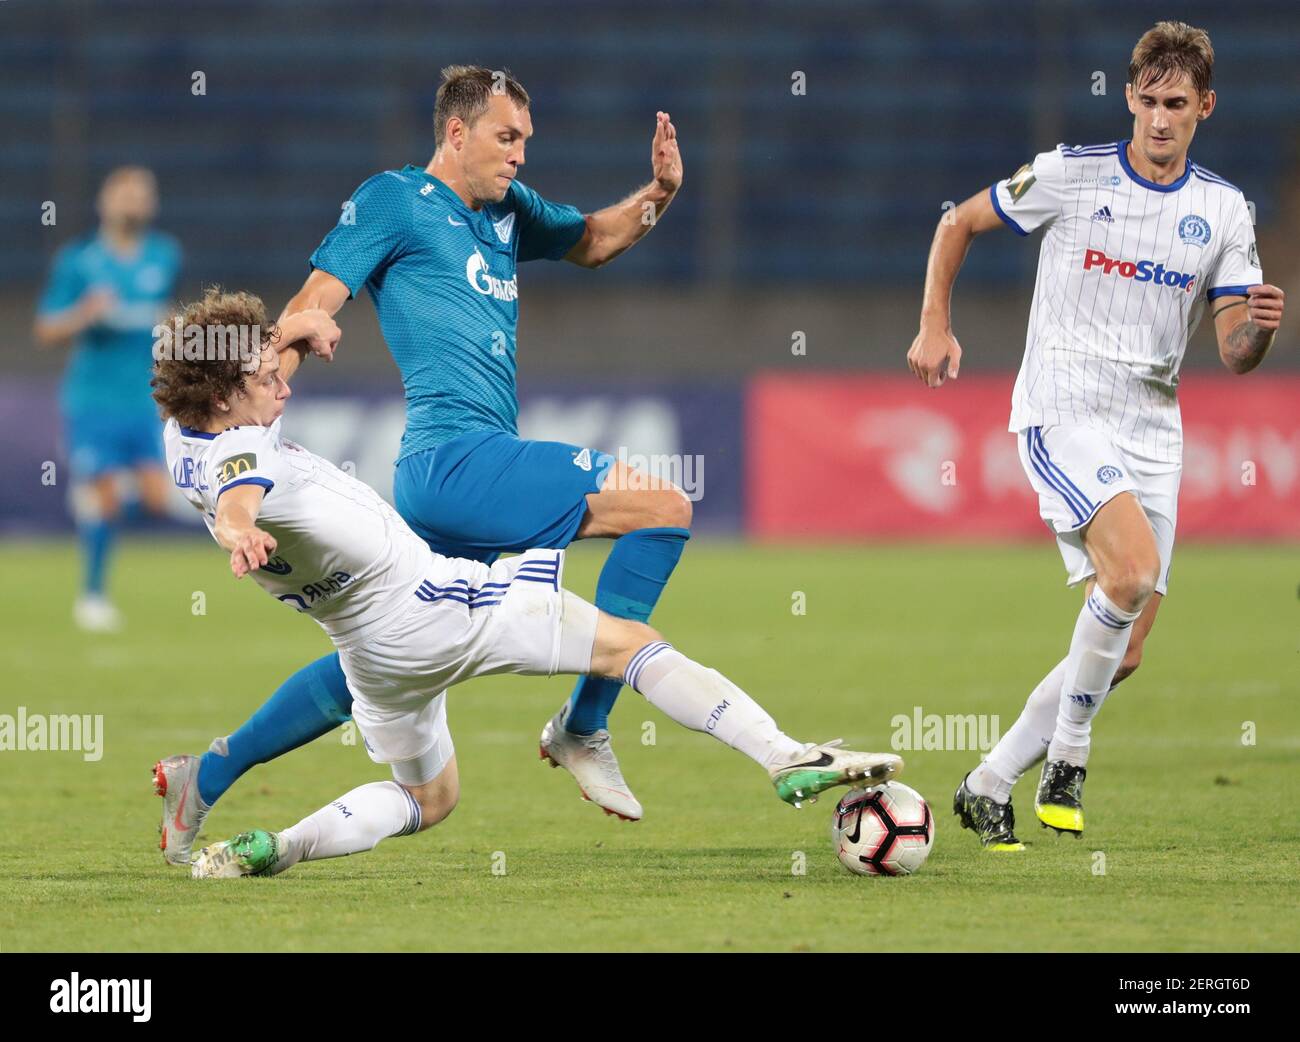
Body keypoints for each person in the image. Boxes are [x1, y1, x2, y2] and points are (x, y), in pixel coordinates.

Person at [148, 289, 902, 878]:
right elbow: (236, 491)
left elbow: (233, 428)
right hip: (437, 607)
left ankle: (273, 846)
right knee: (628, 646)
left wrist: (286, 337)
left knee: (431, 799)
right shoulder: (238, 458)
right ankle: (781, 755)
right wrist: (238, 529)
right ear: (224, 400)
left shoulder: (186, 432)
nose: (278, 381)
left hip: (370, 655)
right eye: (261, 375)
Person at [181, 65, 688, 833]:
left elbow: (592, 241)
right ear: (456, 133)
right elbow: (316, 299)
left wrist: (658, 197)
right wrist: (253, 424)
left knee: (385, 656)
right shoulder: (394, 201)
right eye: (505, 137)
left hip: (468, 472)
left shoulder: (511, 209)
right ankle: (583, 727)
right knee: (662, 505)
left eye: (525, 140)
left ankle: (209, 771)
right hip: (453, 458)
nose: (519, 155)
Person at [906, 21, 1285, 848]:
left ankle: (988, 779)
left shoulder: (1222, 211)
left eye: (1176, 105)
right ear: (1128, 97)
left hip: (1154, 424)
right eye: (1146, 101)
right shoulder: (1070, 175)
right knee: (1134, 571)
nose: (1158, 119)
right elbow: (957, 223)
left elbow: (1233, 352)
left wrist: (1259, 329)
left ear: (1205, 107)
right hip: (1064, 402)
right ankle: (1069, 755)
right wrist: (935, 323)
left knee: (1129, 643)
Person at [34, 167, 183, 631]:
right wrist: (85, 313)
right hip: (92, 401)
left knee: (161, 501)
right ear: (104, 202)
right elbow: (46, 329)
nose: (133, 202)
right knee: (105, 502)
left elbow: (163, 319)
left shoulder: (164, 255)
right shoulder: (79, 261)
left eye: (142, 195)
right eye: (125, 194)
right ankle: (92, 596)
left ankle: (98, 507)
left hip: (144, 401)